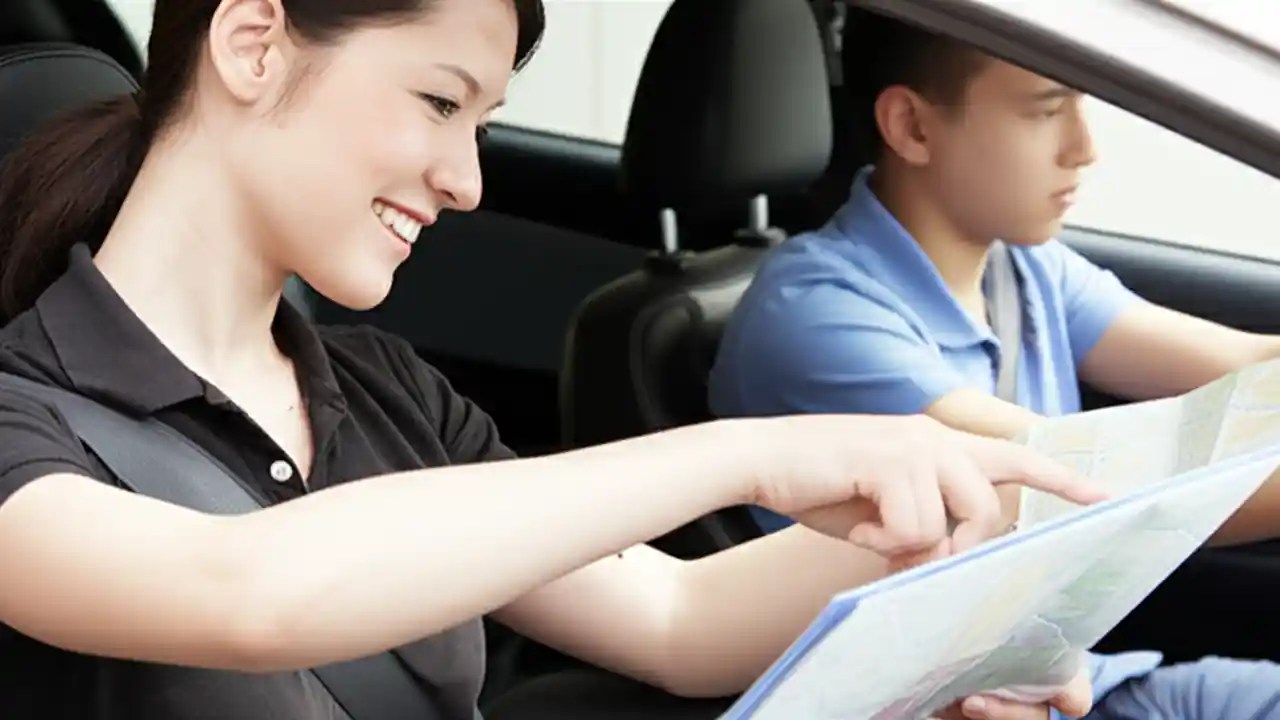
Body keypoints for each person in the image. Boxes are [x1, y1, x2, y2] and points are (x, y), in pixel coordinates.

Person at [0, 2, 1109, 719]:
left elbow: (677, 621)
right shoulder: (22, 425)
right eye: (438, 101)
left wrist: (978, 586)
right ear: (252, 44)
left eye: (481, 124)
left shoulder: (387, 391)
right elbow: (246, 594)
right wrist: (750, 457)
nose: (465, 180)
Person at [708, 10, 1280, 720]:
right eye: (1047, 110)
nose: (1085, 148)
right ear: (913, 128)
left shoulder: (1024, 268)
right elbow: (1077, 486)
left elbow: (1246, 360)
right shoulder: (815, 318)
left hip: (1073, 679)